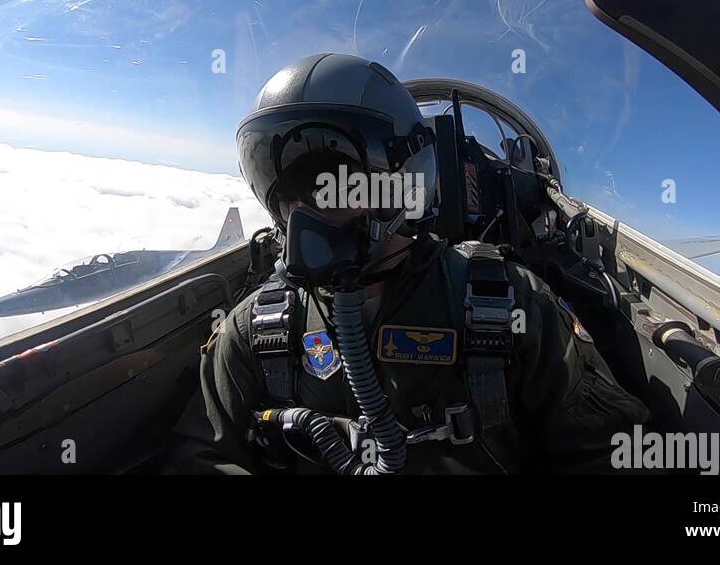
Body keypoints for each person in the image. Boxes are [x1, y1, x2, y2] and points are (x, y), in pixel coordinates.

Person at [167, 53, 648, 475]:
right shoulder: (256, 330)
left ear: (406, 185)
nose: (304, 217)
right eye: (291, 194)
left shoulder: (511, 307)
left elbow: (610, 454)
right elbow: (203, 459)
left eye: (334, 187)